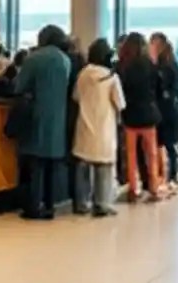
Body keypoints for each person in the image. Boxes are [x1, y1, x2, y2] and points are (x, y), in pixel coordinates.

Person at [13, 25, 73, 220]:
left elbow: (19, 86)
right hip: (58, 116)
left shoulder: (34, 59)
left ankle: (33, 206)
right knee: (50, 164)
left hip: (36, 114)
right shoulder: (65, 60)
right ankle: (49, 205)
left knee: (35, 163)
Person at [73, 39, 124, 217]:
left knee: (83, 166)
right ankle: (102, 203)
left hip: (84, 124)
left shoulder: (82, 74)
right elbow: (120, 103)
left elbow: (76, 96)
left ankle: (81, 203)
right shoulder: (111, 77)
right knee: (104, 167)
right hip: (104, 126)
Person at [117, 32, 163, 202]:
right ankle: (154, 187)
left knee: (131, 153)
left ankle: (133, 188)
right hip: (148, 113)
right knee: (151, 152)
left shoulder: (122, 66)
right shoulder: (149, 65)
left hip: (130, 114)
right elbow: (158, 86)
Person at [150, 32, 178, 191]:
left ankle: (170, 175)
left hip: (166, 110)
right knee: (166, 143)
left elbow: (164, 87)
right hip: (169, 109)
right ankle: (169, 175)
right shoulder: (171, 63)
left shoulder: (165, 66)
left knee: (166, 143)